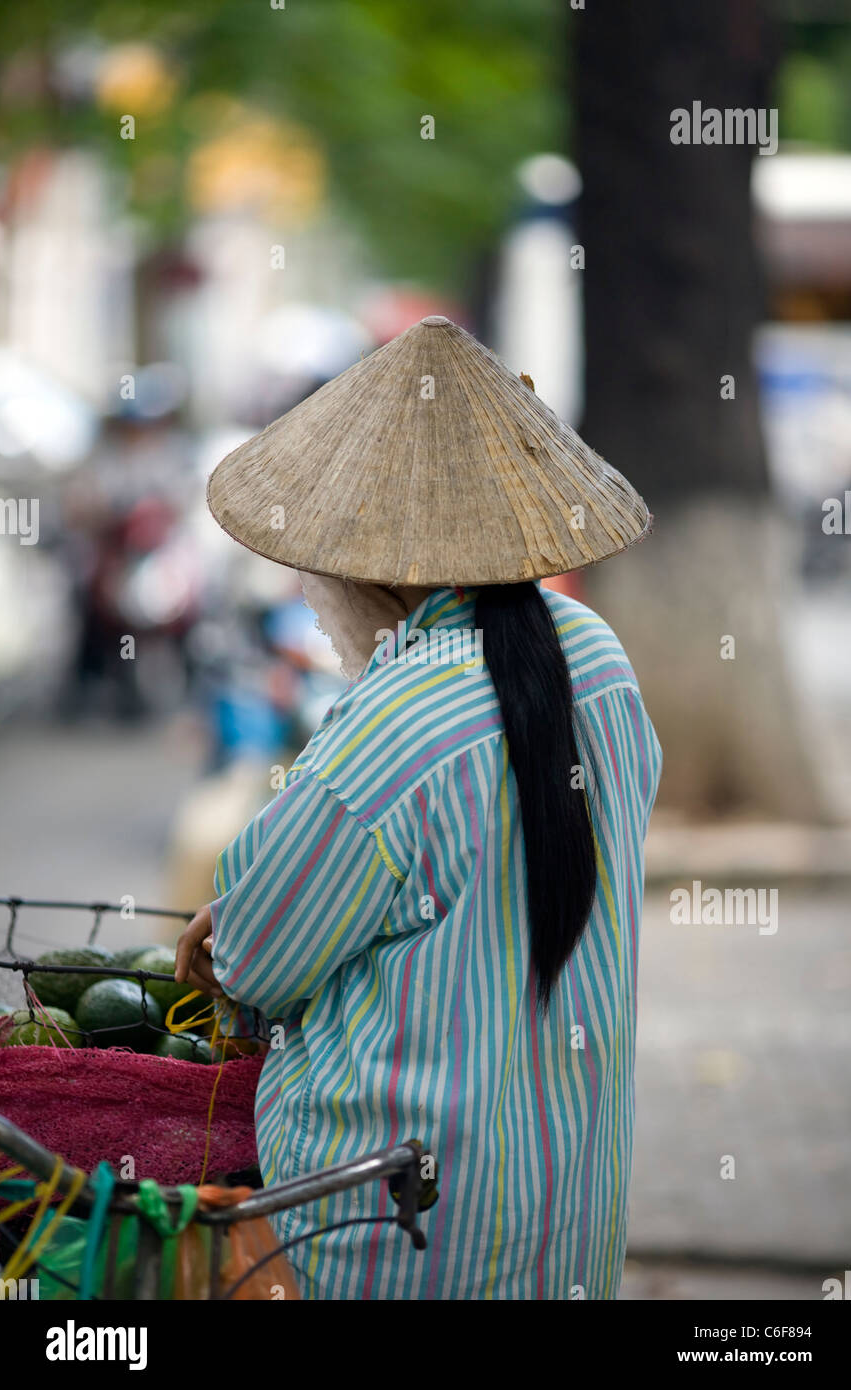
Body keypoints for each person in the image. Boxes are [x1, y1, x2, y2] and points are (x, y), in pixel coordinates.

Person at [176, 316, 662, 1300]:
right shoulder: (596, 656)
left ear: (372, 569)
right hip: (564, 1212)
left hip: (395, 1236)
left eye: (313, 567)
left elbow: (260, 961)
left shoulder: (392, 725)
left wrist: (228, 925)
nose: (307, 594)